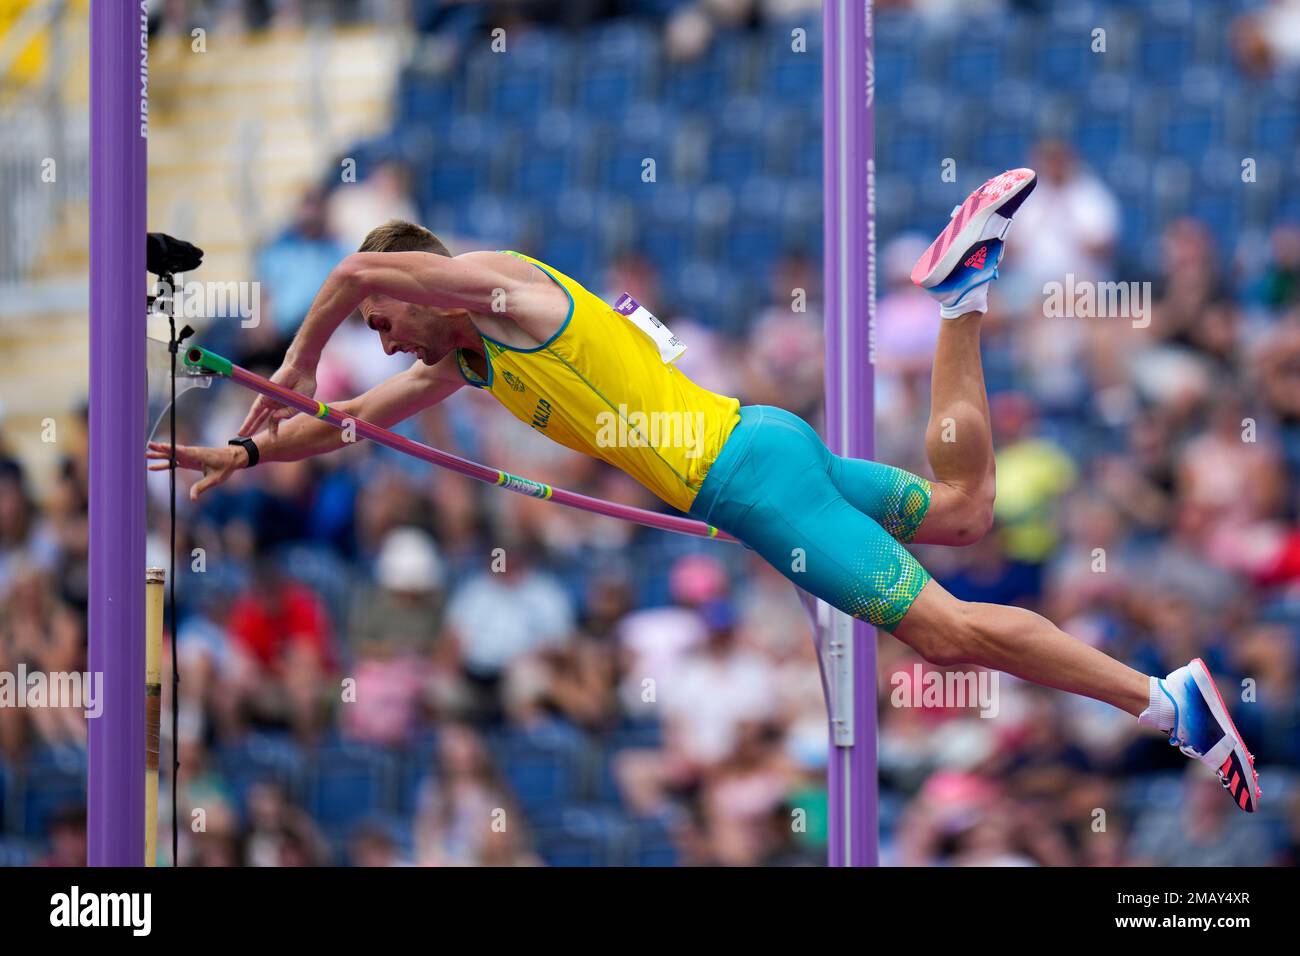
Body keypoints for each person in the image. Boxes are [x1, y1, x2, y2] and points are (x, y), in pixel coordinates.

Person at [150, 168, 1261, 813]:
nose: (382, 339)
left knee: (951, 636)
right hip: (761, 443)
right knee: (965, 507)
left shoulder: (503, 290)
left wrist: (296, 356)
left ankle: (1166, 702)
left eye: (389, 323)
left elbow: (351, 277)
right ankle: (965, 288)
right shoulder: (462, 360)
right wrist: (240, 457)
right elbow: (347, 430)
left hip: (747, 482)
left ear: (422, 282)